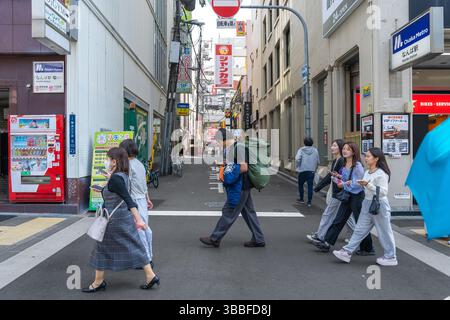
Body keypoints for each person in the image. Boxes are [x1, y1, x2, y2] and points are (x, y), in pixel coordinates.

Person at [83, 148, 159, 293]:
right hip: (123, 218)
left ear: (114, 161)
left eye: (108, 158)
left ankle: (98, 282)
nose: (106, 161)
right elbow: (120, 193)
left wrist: (139, 220)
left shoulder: (116, 178)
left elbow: (129, 200)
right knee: (135, 246)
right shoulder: (122, 175)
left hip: (114, 221)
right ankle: (150, 275)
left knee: (101, 249)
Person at [200, 129, 266, 248]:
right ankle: (259, 238)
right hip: (243, 185)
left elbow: (244, 167)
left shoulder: (238, 147)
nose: (218, 143)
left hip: (240, 186)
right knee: (248, 212)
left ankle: (215, 238)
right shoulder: (234, 148)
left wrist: (228, 174)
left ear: (223, 139)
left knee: (229, 211)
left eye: (218, 141)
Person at [333, 148, 398, 266]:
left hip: (379, 204)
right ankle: (347, 252)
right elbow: (364, 186)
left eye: (368, 156)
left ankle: (391, 256)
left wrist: (368, 184)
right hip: (367, 202)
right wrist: (351, 183)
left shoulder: (382, 173)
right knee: (359, 229)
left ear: (376, 158)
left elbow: (383, 192)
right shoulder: (367, 172)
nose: (366, 158)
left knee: (384, 231)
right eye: (366, 156)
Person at [313, 142, 374, 255]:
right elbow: (347, 178)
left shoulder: (358, 166)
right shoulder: (345, 163)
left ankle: (368, 248)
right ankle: (326, 243)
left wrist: (344, 184)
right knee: (338, 220)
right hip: (347, 195)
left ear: (353, 152)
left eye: (348, 149)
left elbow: (358, 183)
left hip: (357, 197)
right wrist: (339, 177)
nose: (345, 151)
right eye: (344, 149)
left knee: (360, 223)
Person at [119, 139, 154, 268]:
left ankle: (145, 260)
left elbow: (125, 186)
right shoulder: (139, 164)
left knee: (139, 231)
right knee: (144, 229)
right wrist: (147, 198)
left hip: (134, 202)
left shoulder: (127, 165)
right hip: (142, 200)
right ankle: (148, 256)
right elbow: (143, 184)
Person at [307, 139, 345, 242]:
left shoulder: (341, 160)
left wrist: (318, 187)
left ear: (340, 148)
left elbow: (336, 176)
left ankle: (320, 235)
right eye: (332, 145)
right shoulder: (336, 160)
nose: (332, 147)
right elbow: (331, 176)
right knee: (346, 216)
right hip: (337, 191)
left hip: (339, 192)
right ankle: (359, 240)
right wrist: (319, 186)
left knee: (328, 214)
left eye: (334, 146)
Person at [295, 138, 320, 207]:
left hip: (302, 170)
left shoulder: (301, 150)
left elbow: (297, 159)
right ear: (312, 143)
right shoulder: (315, 150)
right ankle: (309, 201)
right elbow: (318, 161)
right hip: (311, 171)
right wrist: (315, 168)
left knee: (300, 185)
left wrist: (298, 166)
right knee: (310, 186)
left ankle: (301, 199)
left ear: (304, 142)